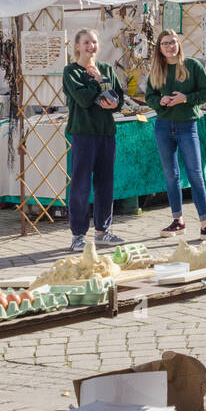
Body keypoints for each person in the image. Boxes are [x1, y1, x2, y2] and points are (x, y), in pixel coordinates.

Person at [145, 30, 206, 238]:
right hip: (163, 126)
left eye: (172, 42)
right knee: (171, 175)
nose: (170, 46)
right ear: (159, 48)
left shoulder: (192, 65)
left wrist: (185, 98)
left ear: (178, 44)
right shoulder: (157, 69)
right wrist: (159, 101)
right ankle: (177, 220)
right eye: (165, 44)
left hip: (187, 126)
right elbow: (149, 96)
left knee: (195, 174)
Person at [63, 27, 125, 251]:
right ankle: (78, 234)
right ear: (77, 46)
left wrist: (114, 101)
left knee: (105, 183)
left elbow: (120, 97)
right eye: (86, 42)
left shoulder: (107, 68)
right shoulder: (71, 72)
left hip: (106, 132)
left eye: (94, 42)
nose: (91, 47)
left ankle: (103, 231)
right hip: (83, 132)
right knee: (80, 184)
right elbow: (82, 98)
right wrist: (98, 84)